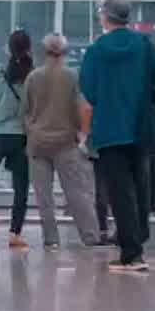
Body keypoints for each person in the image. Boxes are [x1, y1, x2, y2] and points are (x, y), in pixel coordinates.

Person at [82, 0, 155, 268]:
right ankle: (139, 237)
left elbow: (89, 91)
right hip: (141, 125)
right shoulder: (144, 45)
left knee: (119, 190)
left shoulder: (96, 51)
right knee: (141, 184)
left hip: (109, 127)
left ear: (105, 16)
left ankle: (132, 253)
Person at [22, 32, 94, 253]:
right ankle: (89, 236)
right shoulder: (72, 76)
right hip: (66, 142)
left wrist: (32, 131)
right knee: (75, 192)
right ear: (65, 52)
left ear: (44, 52)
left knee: (44, 196)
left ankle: (51, 239)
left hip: (38, 142)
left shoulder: (33, 77)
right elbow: (81, 107)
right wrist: (81, 134)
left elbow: (24, 111)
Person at [0, 31, 32, 248]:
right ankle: (15, 233)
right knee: (21, 185)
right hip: (22, 135)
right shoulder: (33, 76)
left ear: (8, 49)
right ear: (29, 48)